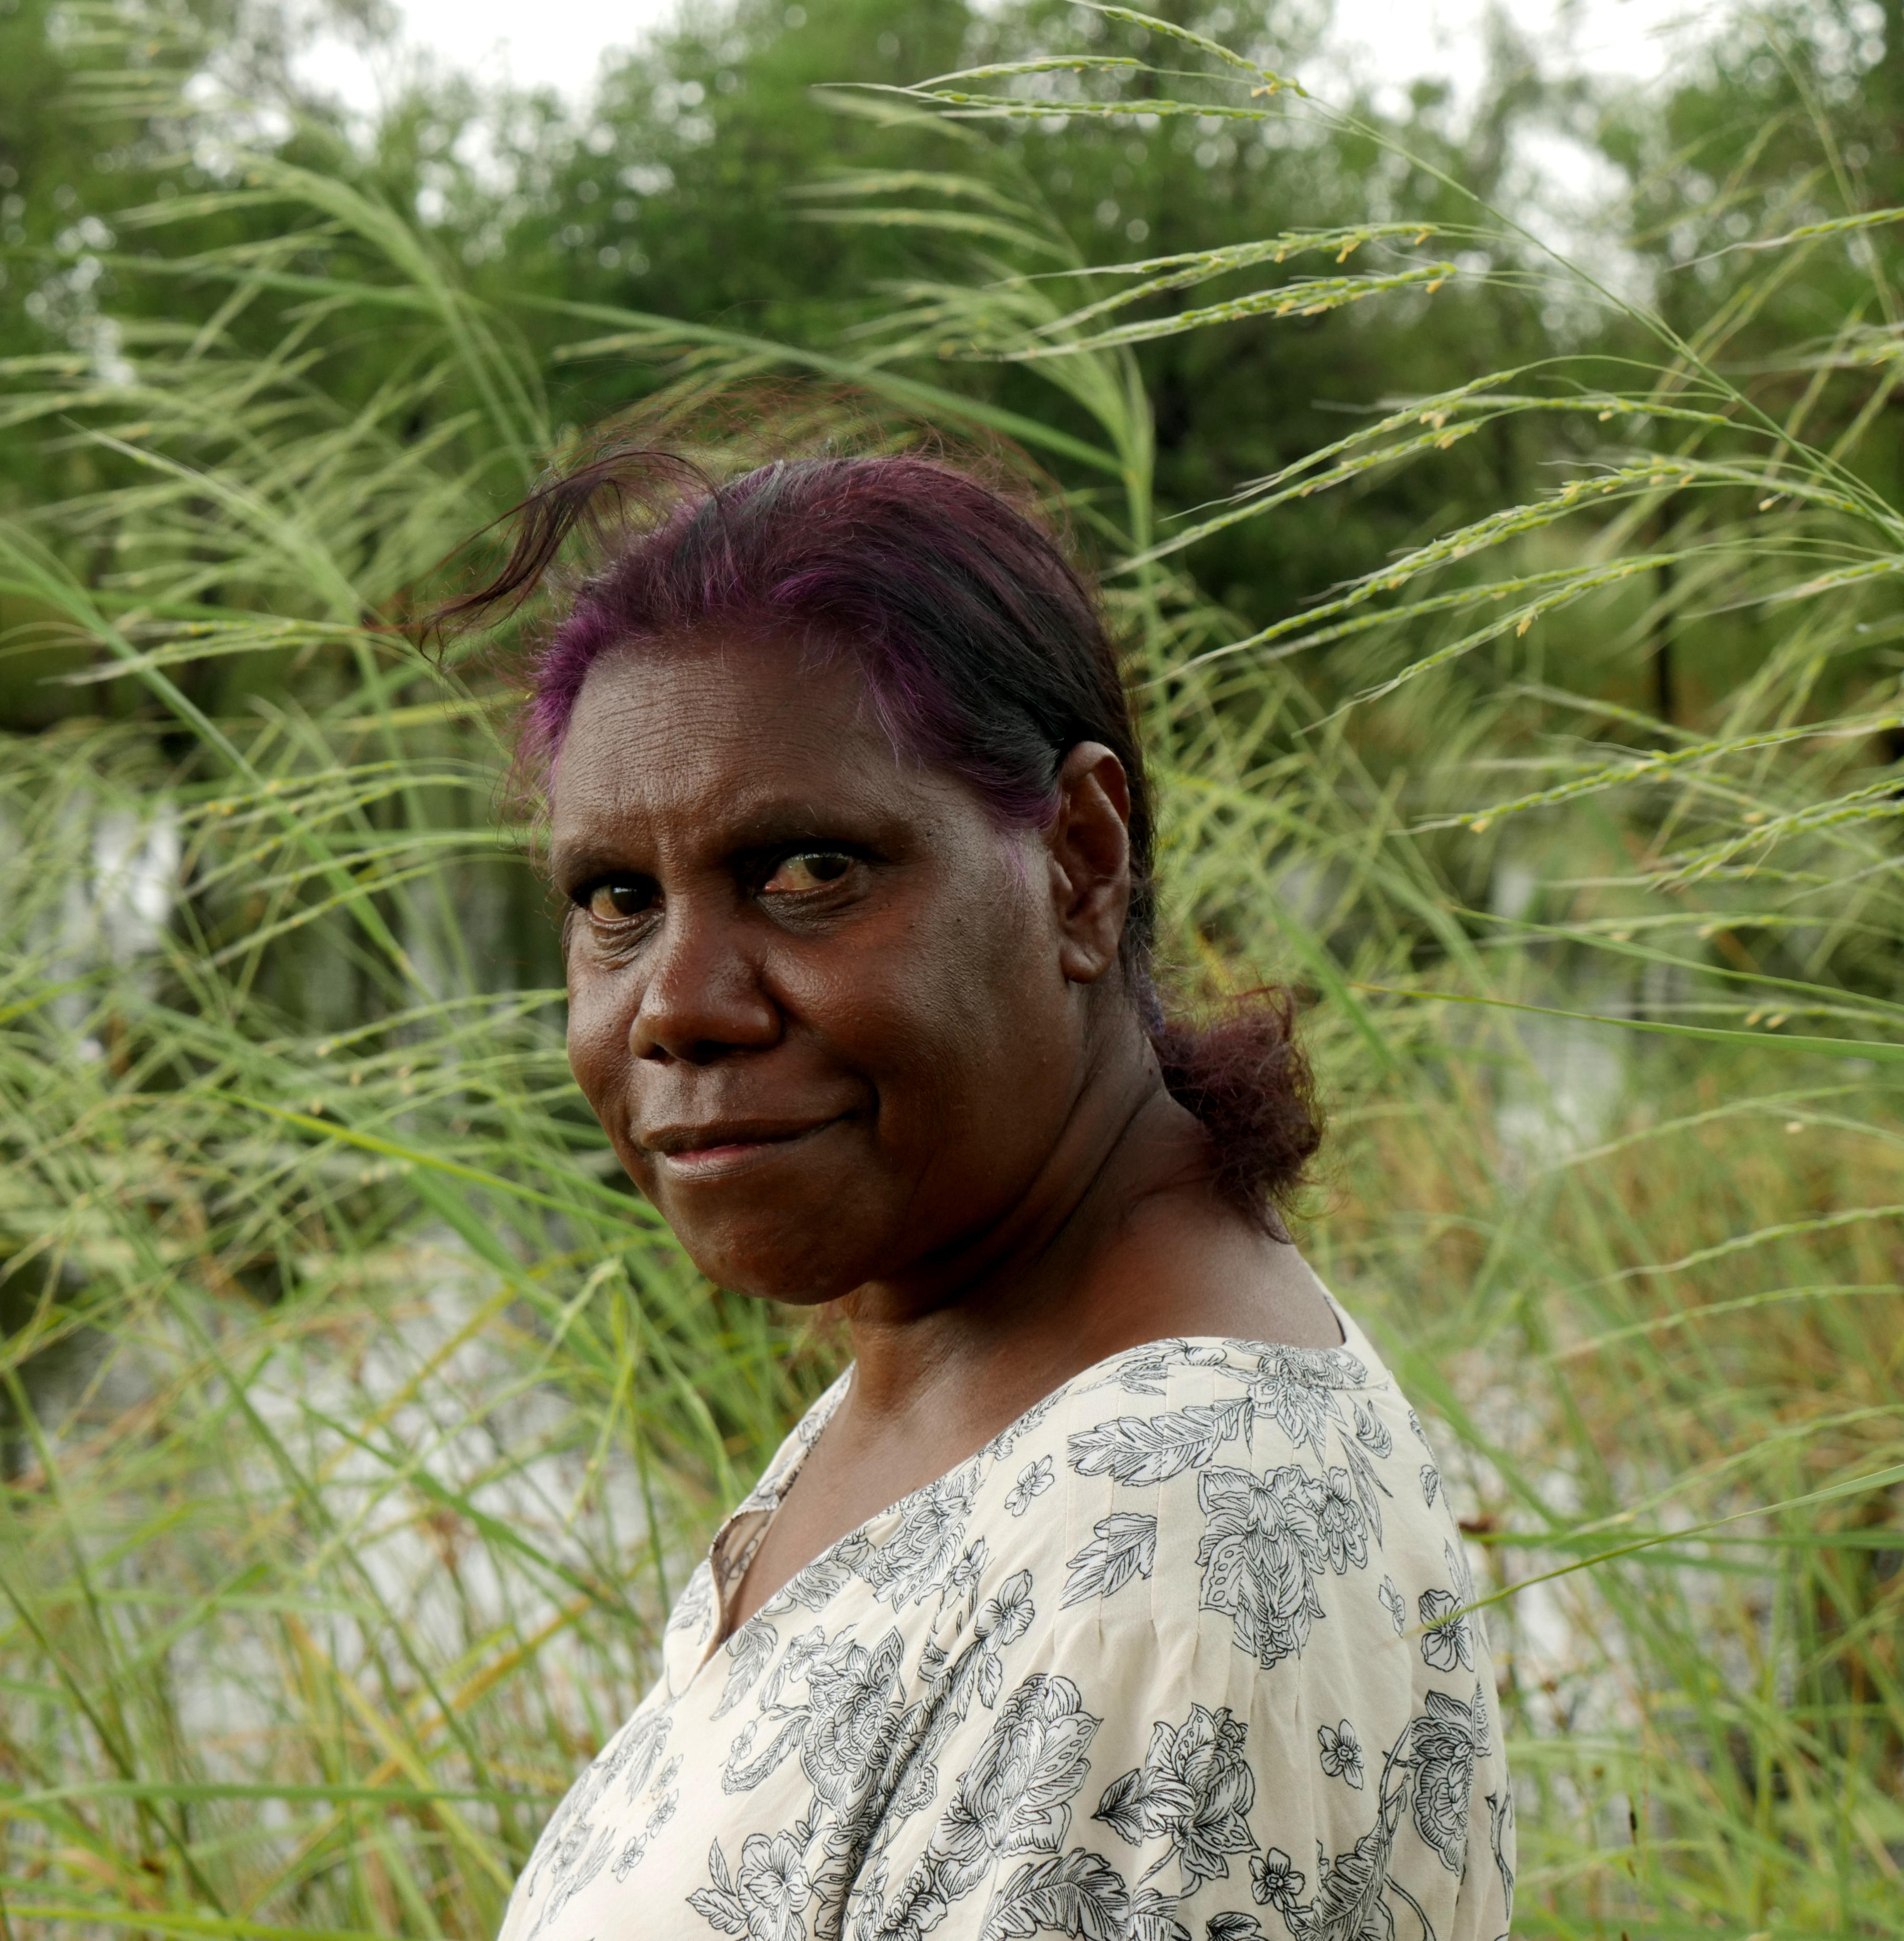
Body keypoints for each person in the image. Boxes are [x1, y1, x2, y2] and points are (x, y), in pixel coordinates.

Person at [457, 451, 1513, 1941]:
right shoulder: (971, 1353)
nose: (675, 1006)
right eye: (615, 900)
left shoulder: (1167, 1546)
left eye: (810, 869)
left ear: (1079, 866)